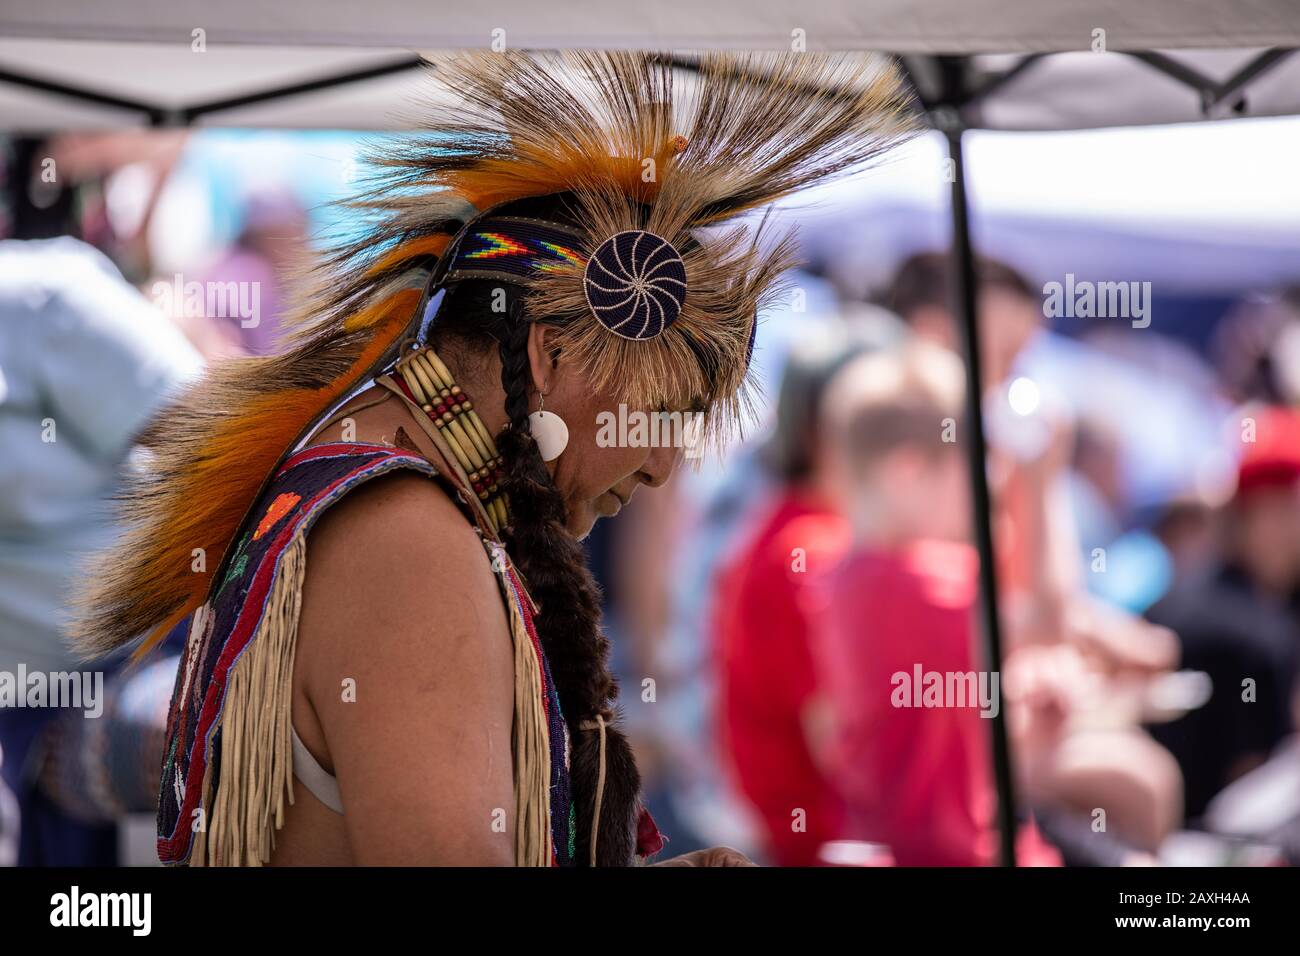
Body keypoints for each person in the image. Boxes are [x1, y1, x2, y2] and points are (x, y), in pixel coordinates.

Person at [73, 50, 915, 866]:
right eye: (665, 415)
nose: (662, 466)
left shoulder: (375, 481)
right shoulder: (407, 543)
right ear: (550, 357)